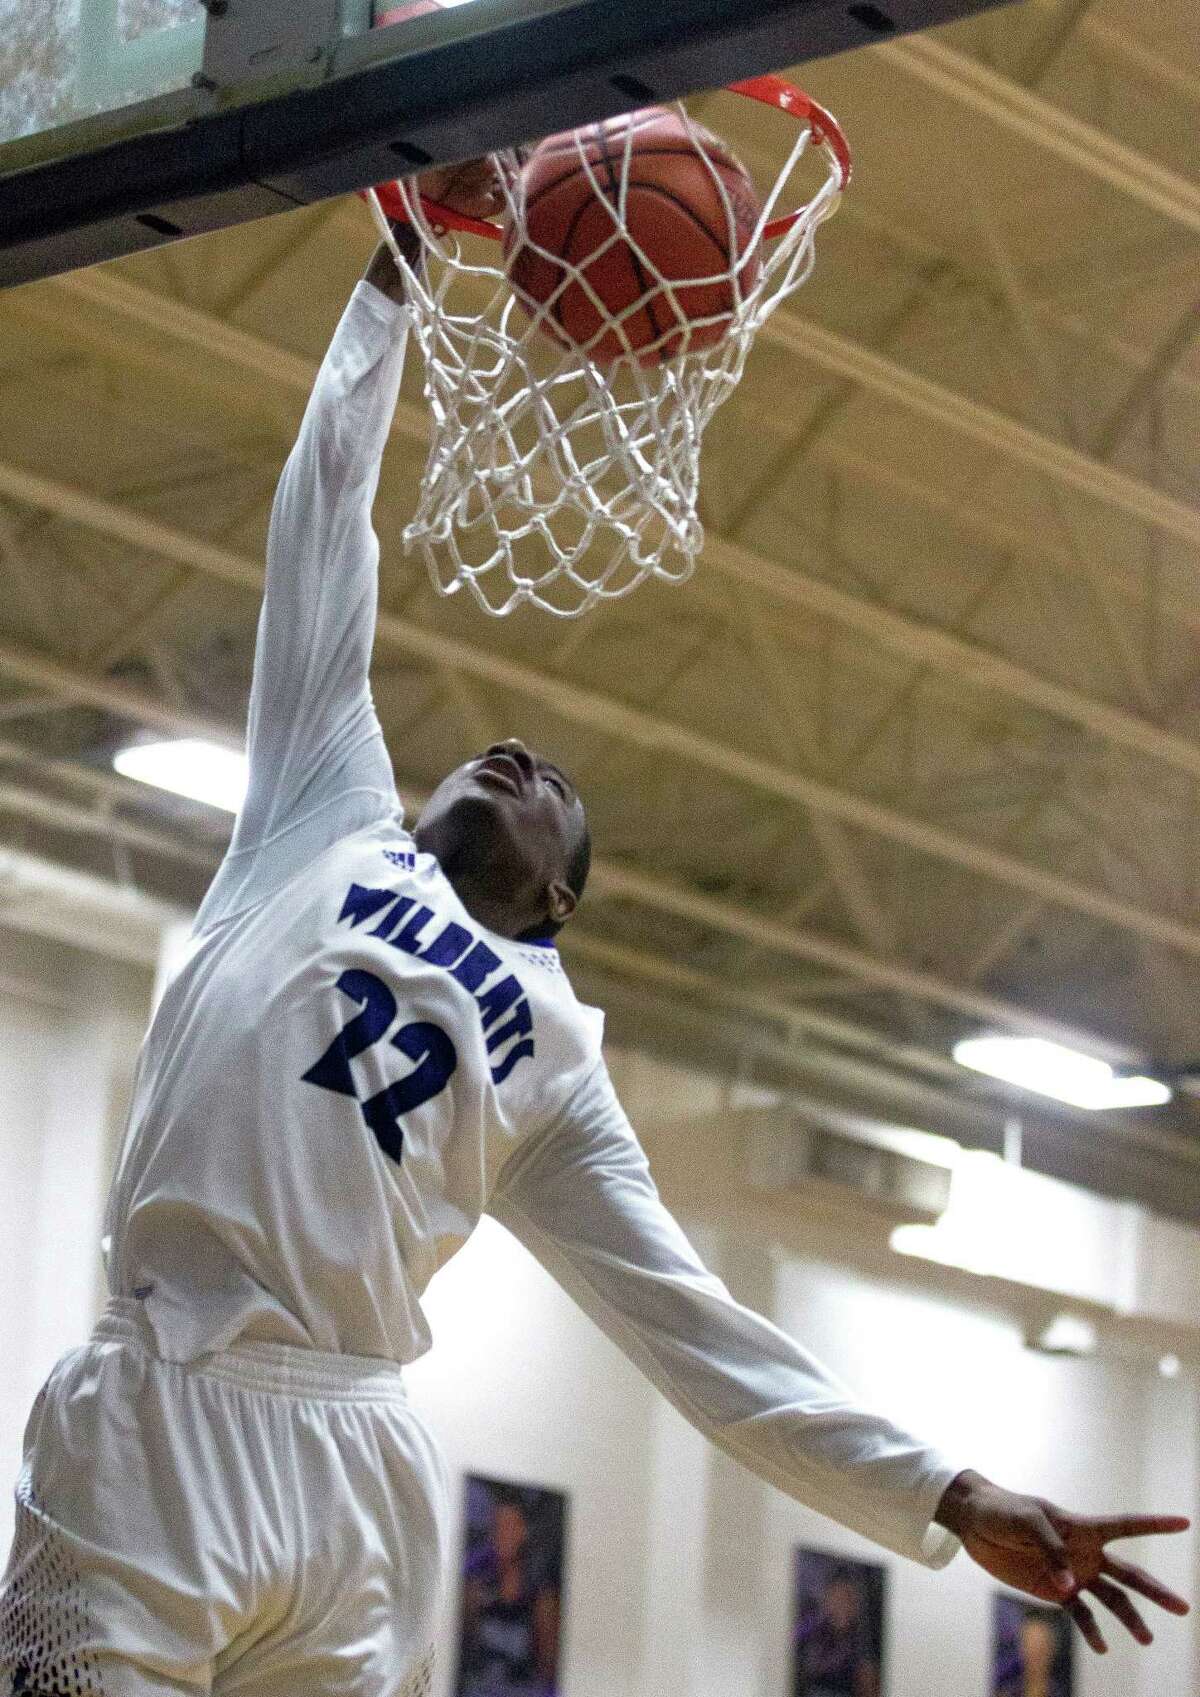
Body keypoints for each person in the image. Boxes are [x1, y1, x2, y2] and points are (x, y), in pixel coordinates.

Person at [0, 154, 1190, 1695]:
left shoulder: (558, 1068)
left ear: (559, 898)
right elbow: (324, 523)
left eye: (556, 788)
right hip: (170, 1401)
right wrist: (400, 263)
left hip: (357, 1462)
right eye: (499, 759)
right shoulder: (323, 807)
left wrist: (944, 1494)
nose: (519, 760)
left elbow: (695, 1332)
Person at [995, 1610, 1069, 1697]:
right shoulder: (1005, 1692)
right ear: (1020, 1648)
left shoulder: (1068, 1692)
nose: (1035, 1655)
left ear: (1052, 1650)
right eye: (1029, 1644)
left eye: (1041, 1647)